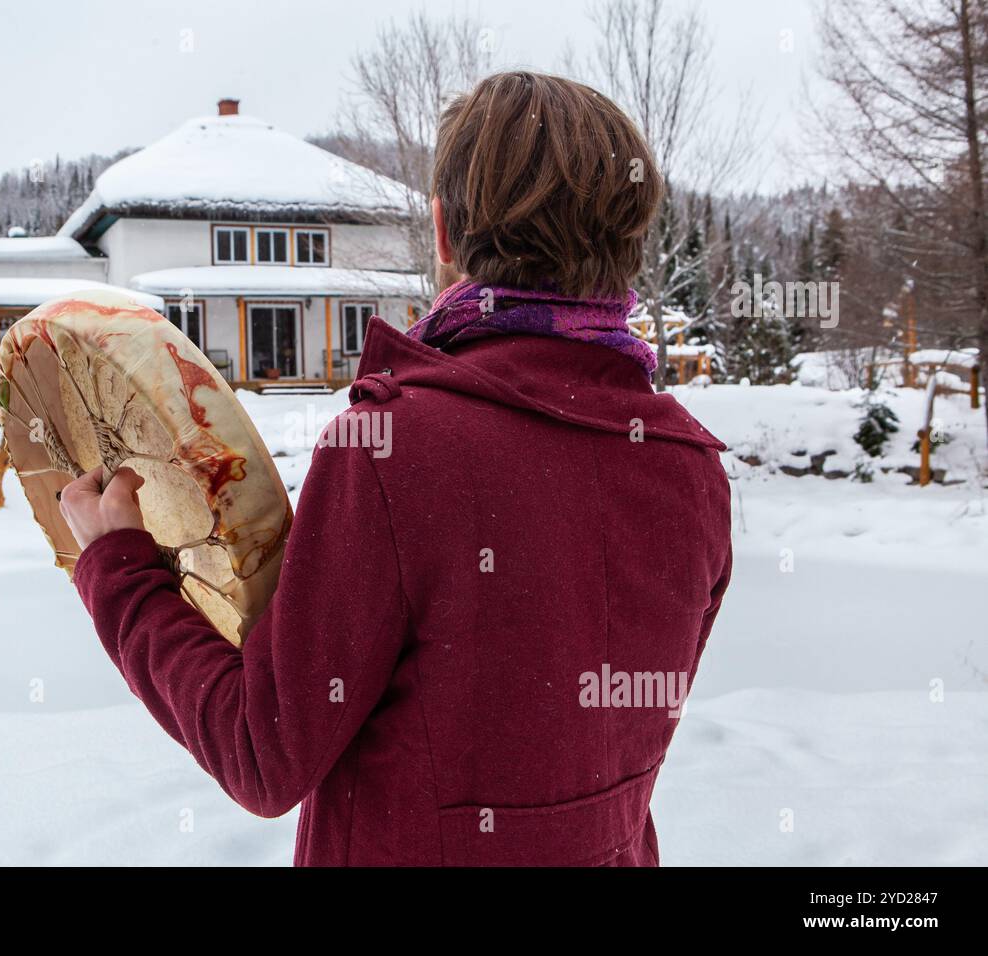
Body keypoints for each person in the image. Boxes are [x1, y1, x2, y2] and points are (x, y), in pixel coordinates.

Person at [59, 70, 732, 867]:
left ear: (443, 232)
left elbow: (263, 752)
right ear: (630, 243)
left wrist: (119, 568)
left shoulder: (391, 451)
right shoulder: (691, 470)